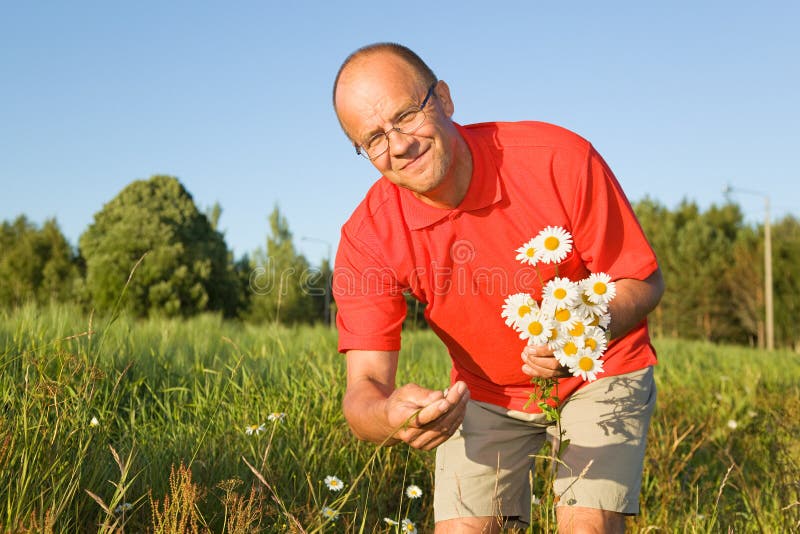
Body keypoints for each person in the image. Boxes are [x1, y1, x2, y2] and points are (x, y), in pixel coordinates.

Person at [331, 42, 664, 534]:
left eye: (406, 115)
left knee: (586, 524)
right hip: (485, 393)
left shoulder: (557, 158)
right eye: (374, 138)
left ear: (443, 99)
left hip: (601, 364)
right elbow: (362, 393)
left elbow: (641, 278)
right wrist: (391, 415)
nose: (398, 145)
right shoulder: (368, 238)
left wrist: (581, 331)